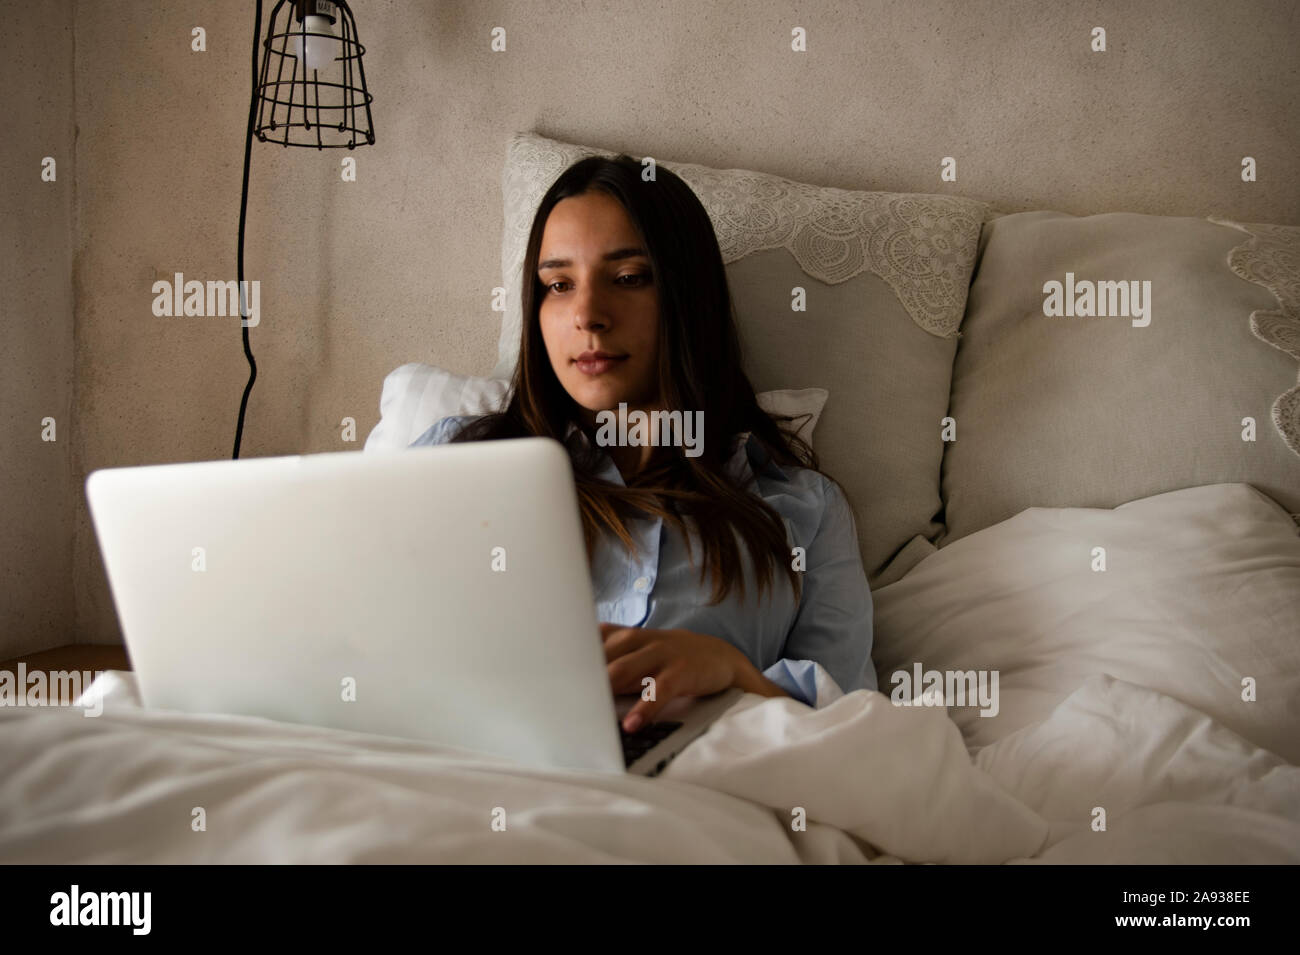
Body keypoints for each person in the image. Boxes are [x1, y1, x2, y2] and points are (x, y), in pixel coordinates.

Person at [411, 154, 877, 733]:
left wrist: (734, 676)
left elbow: (856, 733)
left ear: (688, 296)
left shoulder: (804, 509)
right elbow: (354, 653)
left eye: (629, 278)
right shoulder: (452, 462)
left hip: (700, 779)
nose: (587, 315)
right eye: (558, 285)